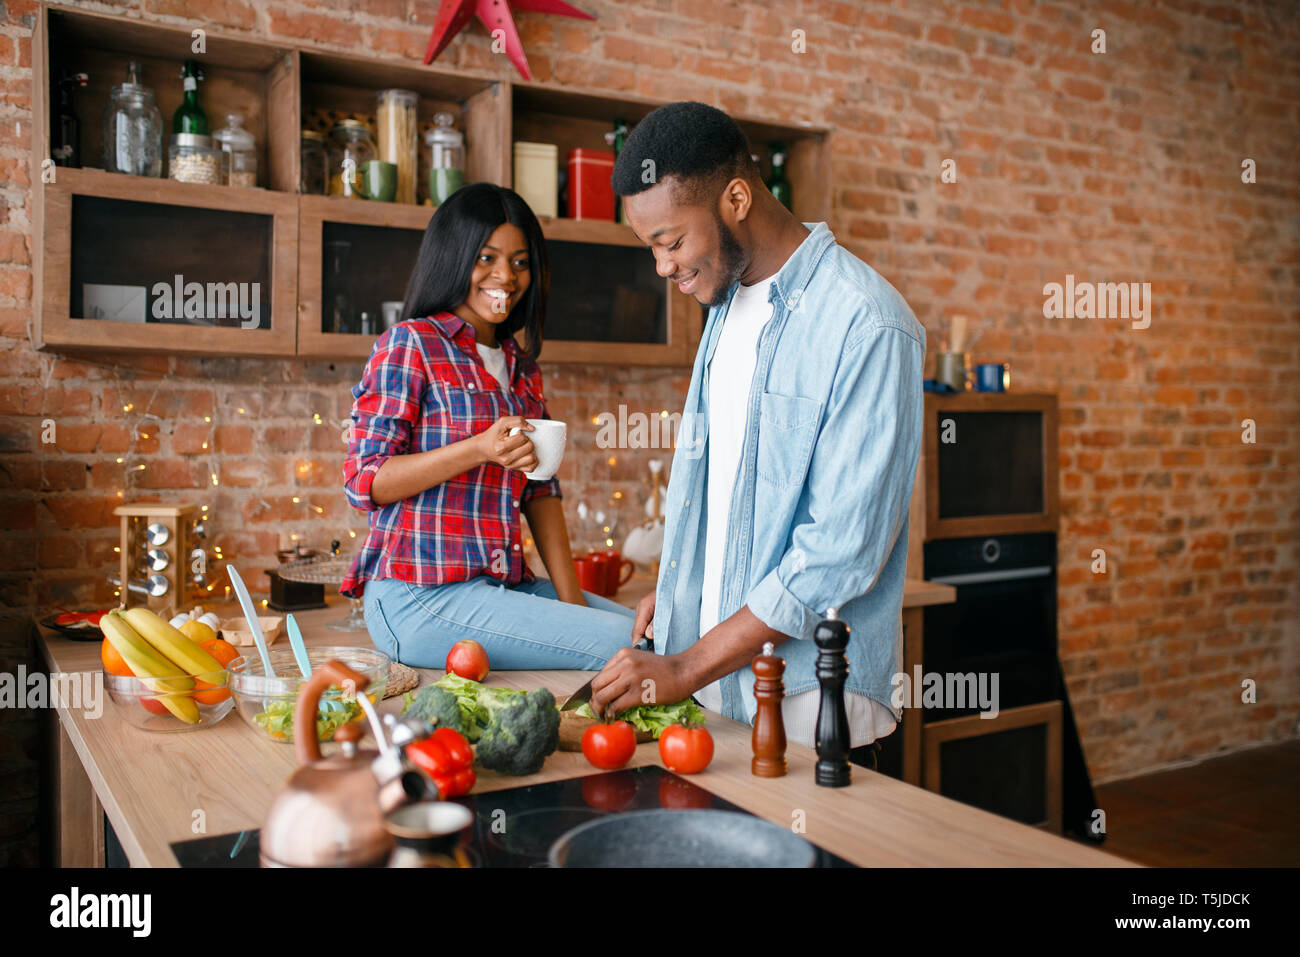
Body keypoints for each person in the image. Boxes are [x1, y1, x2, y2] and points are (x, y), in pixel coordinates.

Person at [588, 102, 925, 761]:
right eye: (651, 247)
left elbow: (838, 553)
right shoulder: (724, 302)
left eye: (671, 241)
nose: (662, 267)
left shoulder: (869, 324)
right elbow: (729, 489)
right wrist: (687, 580)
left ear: (736, 197)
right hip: (721, 695)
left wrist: (686, 668)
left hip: (811, 711)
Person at [340, 182, 635, 670]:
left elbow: (541, 493)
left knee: (656, 634)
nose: (506, 276)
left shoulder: (522, 365)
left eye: (520, 262)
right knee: (632, 648)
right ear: (454, 258)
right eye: (487, 258)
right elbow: (364, 481)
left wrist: (572, 607)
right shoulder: (411, 345)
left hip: (498, 585)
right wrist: (478, 448)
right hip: (418, 597)